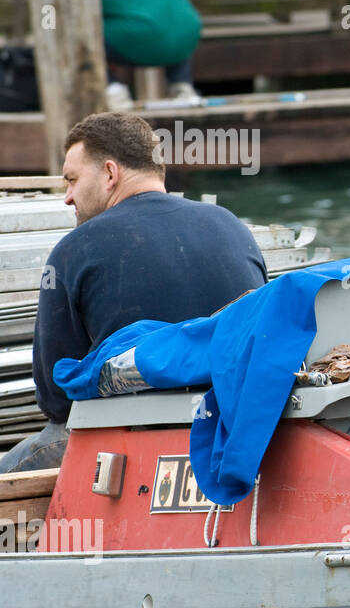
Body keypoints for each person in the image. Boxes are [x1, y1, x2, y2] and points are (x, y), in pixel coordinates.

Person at [0, 113, 267, 473]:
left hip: (130, 434)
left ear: (110, 173)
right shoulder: (232, 225)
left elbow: (57, 401)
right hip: (233, 421)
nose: (67, 198)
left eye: (73, 180)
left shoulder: (74, 249)